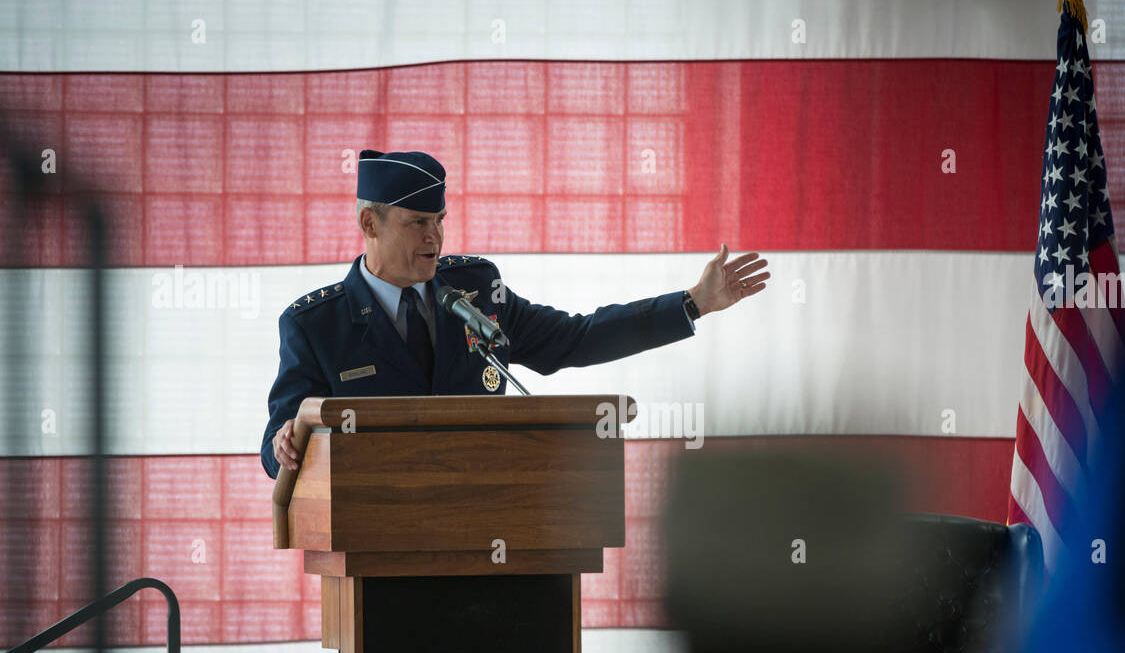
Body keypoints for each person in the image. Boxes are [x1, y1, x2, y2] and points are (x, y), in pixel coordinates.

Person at [260, 149, 769, 478]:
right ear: (370, 223)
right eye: (417, 223)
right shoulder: (316, 325)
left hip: (492, 531)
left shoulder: (477, 290)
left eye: (440, 220)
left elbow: (576, 338)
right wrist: (288, 443)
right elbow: (274, 447)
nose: (435, 237)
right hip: (376, 548)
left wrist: (692, 303)